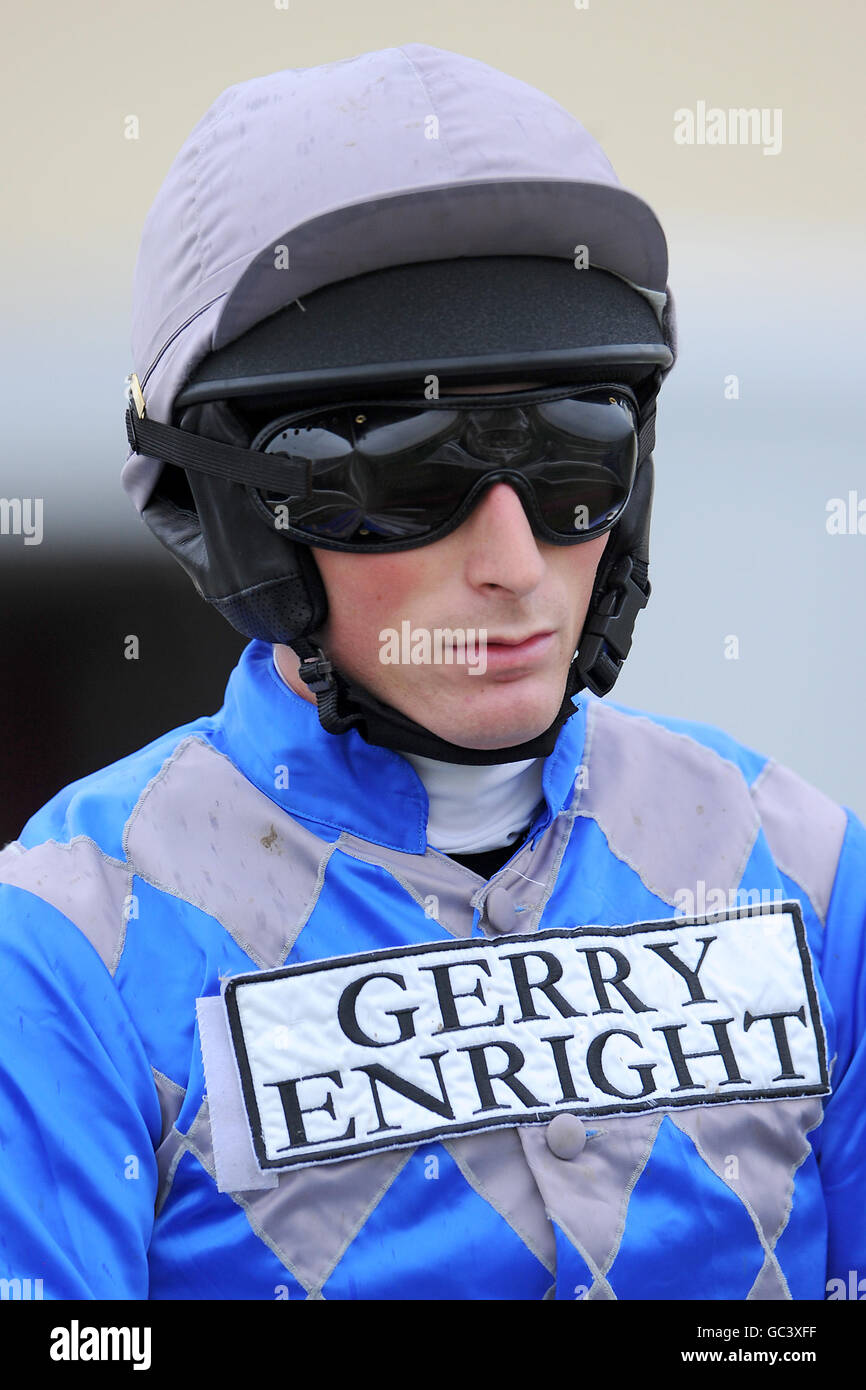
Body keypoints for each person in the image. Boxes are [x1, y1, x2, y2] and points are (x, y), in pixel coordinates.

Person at [0, 41, 863, 1303]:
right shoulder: (68, 937)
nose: (514, 563)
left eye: (575, 456)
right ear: (230, 510)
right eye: (402, 476)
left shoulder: (802, 864)